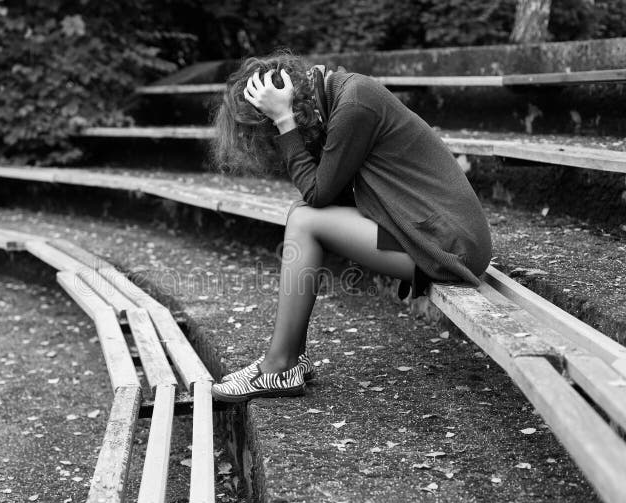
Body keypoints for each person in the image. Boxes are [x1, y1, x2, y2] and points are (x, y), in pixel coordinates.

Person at [209, 51, 491, 403]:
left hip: (448, 246)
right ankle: (289, 361)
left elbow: (318, 194)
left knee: (305, 218)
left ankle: (279, 366)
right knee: (303, 214)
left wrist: (283, 122)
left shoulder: (354, 104)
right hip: (427, 231)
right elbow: (332, 195)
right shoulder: (339, 99)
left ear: (292, 105)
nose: (281, 148)